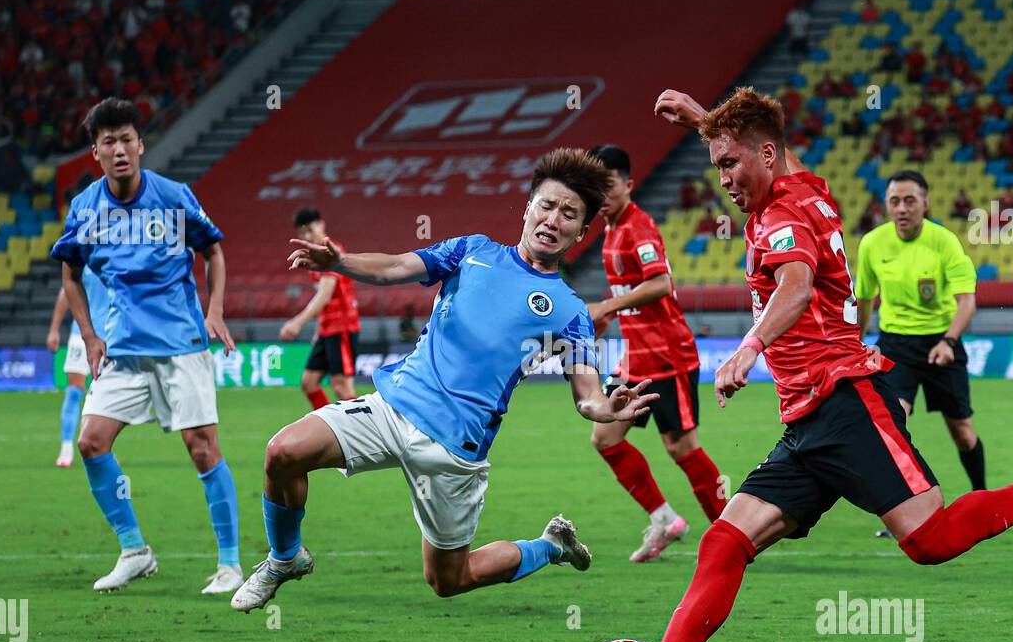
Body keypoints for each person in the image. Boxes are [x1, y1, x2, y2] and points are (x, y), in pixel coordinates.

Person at [623, 87, 1013, 642]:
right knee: (724, 540)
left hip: (848, 400)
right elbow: (763, 149)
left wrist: (749, 347)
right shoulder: (804, 189)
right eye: (718, 164)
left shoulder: (782, 217)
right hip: (805, 420)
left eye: (730, 164)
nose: (722, 178)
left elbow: (798, 286)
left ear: (768, 156)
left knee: (928, 542)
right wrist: (708, 123)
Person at [229, 148, 659, 612]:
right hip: (393, 408)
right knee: (284, 452)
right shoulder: (471, 251)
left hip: (453, 452)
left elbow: (587, 395)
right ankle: (285, 557)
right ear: (528, 207)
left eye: (569, 214)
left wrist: (607, 408)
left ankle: (549, 547)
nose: (554, 220)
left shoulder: (569, 309)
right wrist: (339, 262)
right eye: (547, 206)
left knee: (449, 579)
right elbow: (396, 266)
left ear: (582, 230)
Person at [50, 97, 243, 596]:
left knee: (202, 450)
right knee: (91, 442)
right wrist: (89, 336)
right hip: (123, 350)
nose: (119, 150)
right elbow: (70, 273)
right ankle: (135, 551)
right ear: (96, 152)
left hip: (181, 346)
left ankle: (230, 565)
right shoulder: (86, 208)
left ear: (140, 144)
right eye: (107, 142)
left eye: (126, 139)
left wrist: (215, 309)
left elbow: (213, 251)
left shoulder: (174, 196)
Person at [584, 144, 725, 562]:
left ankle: (731, 536)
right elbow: (631, 294)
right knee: (604, 436)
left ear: (628, 184)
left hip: (667, 354)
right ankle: (664, 519)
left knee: (681, 447)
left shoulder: (638, 226)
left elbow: (661, 283)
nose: (602, 194)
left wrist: (607, 306)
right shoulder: (610, 230)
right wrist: (613, 313)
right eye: (595, 187)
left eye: (609, 185)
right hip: (636, 357)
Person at [856, 170, 985, 508]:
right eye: (894, 201)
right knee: (893, 427)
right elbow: (865, 301)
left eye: (910, 201)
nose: (901, 208)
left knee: (962, 433)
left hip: (942, 340)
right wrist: (852, 345)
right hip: (897, 344)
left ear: (925, 204)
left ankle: (981, 496)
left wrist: (949, 342)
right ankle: (902, 509)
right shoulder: (872, 243)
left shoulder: (944, 242)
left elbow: (967, 303)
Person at [279, 208, 360, 408]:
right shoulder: (313, 256)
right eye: (302, 233)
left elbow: (324, 295)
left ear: (321, 224)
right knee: (309, 383)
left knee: (342, 387)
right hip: (326, 329)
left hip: (342, 327)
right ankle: (330, 427)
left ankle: (358, 436)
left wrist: (296, 323)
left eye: (310, 230)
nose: (307, 236)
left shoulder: (331, 252)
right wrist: (318, 330)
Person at [45, 267, 107, 467]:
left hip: (111, 334)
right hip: (81, 333)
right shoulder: (82, 257)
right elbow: (67, 290)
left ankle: (102, 448)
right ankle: (66, 448)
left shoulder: (117, 253)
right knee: (73, 392)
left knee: (107, 397)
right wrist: (54, 330)